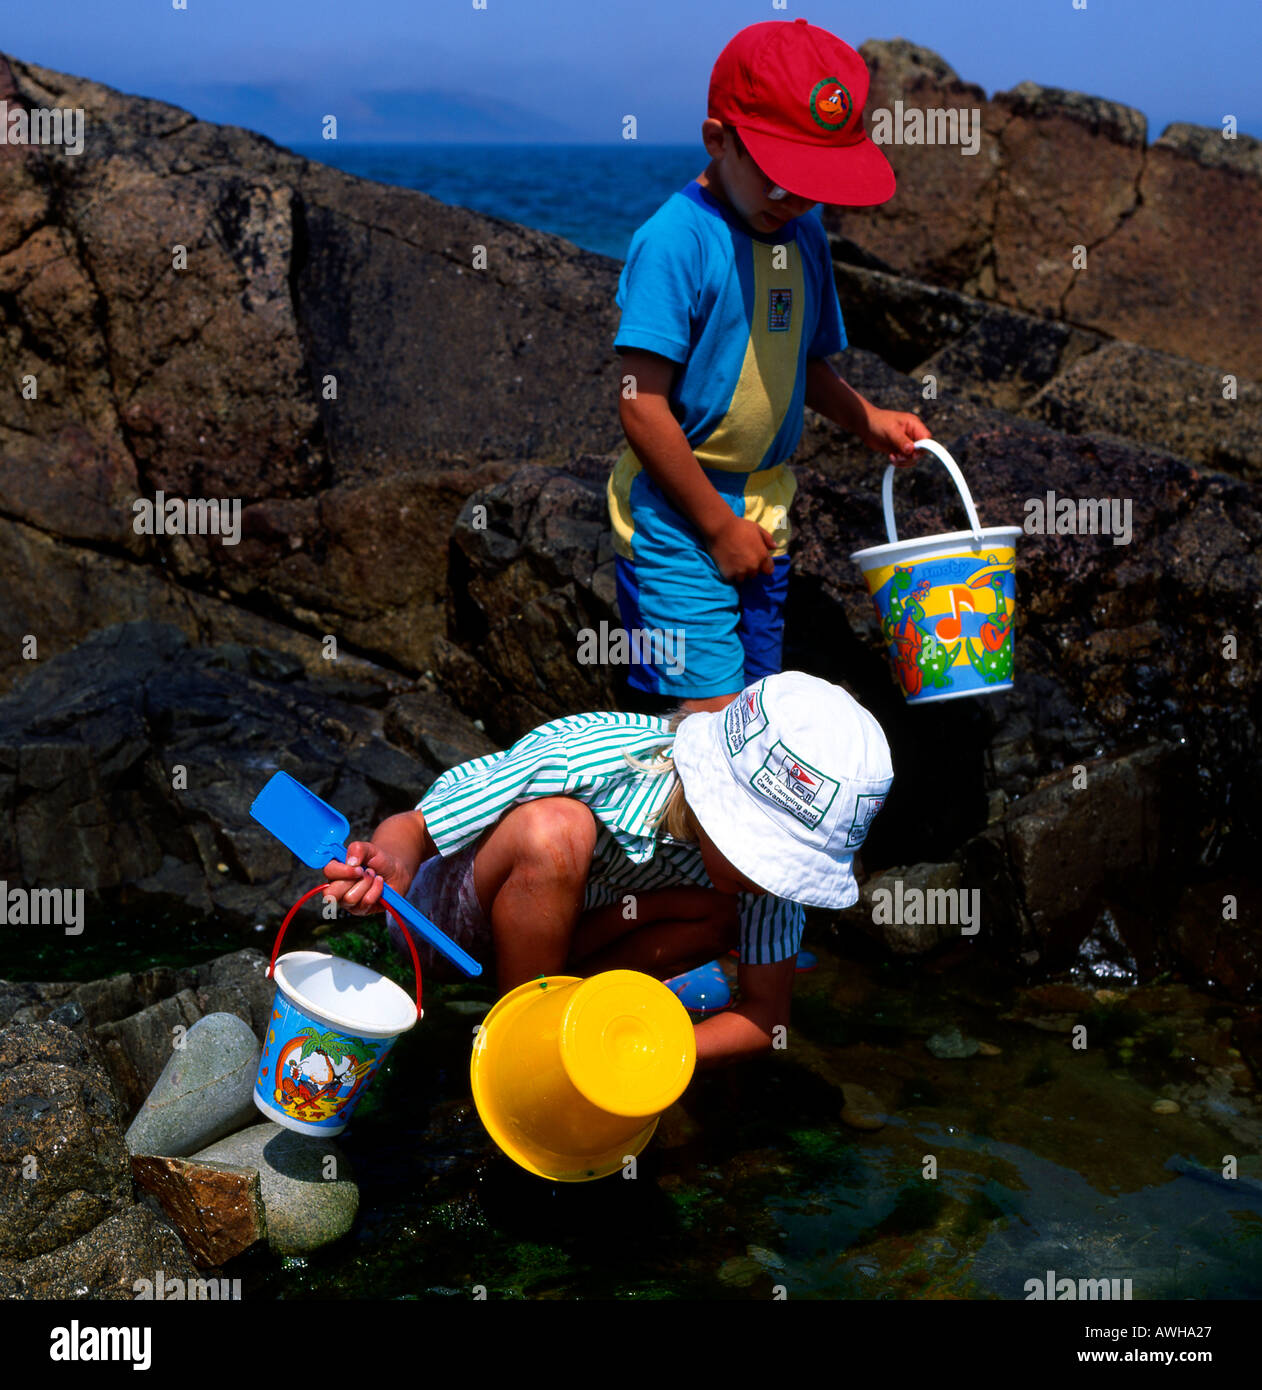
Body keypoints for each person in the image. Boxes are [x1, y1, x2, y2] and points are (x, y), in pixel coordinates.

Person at [320, 671, 893, 1069]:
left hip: (561, 944)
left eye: (784, 868)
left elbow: (766, 1016)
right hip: (445, 927)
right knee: (557, 830)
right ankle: (524, 1045)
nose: (768, 880)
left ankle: (566, 1017)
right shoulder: (594, 755)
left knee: (722, 916)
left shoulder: (765, 887)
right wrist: (389, 863)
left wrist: (649, 1058)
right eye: (765, 856)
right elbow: (416, 829)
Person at [609, 18, 931, 711]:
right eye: (781, 178)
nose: (794, 199)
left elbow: (800, 363)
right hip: (675, 512)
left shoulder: (801, 235)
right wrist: (717, 527)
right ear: (718, 141)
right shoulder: (675, 241)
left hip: (769, 507)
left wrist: (867, 419)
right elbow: (640, 402)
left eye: (814, 183)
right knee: (709, 717)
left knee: (755, 708)